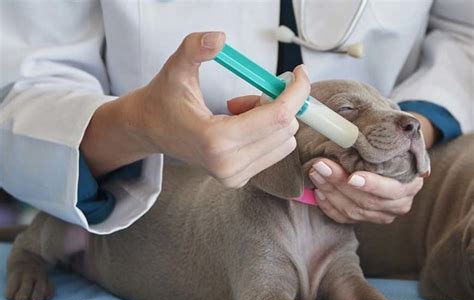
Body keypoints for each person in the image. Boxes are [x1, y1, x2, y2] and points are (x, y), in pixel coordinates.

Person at [0, 0, 472, 235]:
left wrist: (411, 130)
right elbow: (23, 85)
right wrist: (138, 124)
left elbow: (462, 29)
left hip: (384, 211)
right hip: (156, 215)